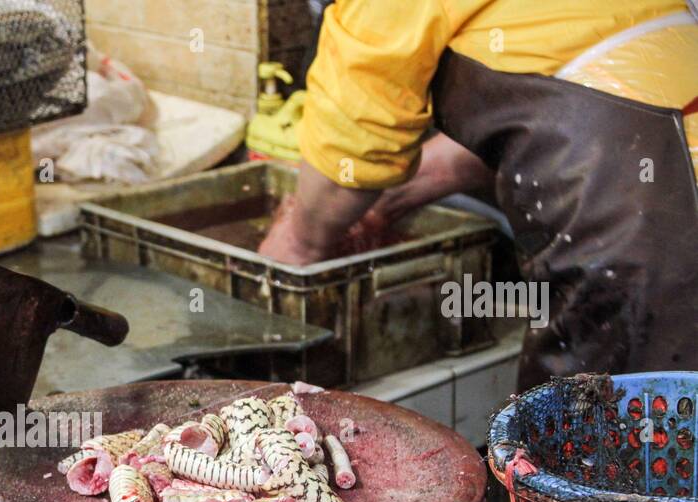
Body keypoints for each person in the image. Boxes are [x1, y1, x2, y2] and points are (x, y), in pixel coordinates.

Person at [258, 0, 698, 390]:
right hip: (666, 176)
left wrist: (297, 244)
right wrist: (388, 204)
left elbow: (344, 165)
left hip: (640, 235)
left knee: (599, 445)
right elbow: (558, 119)